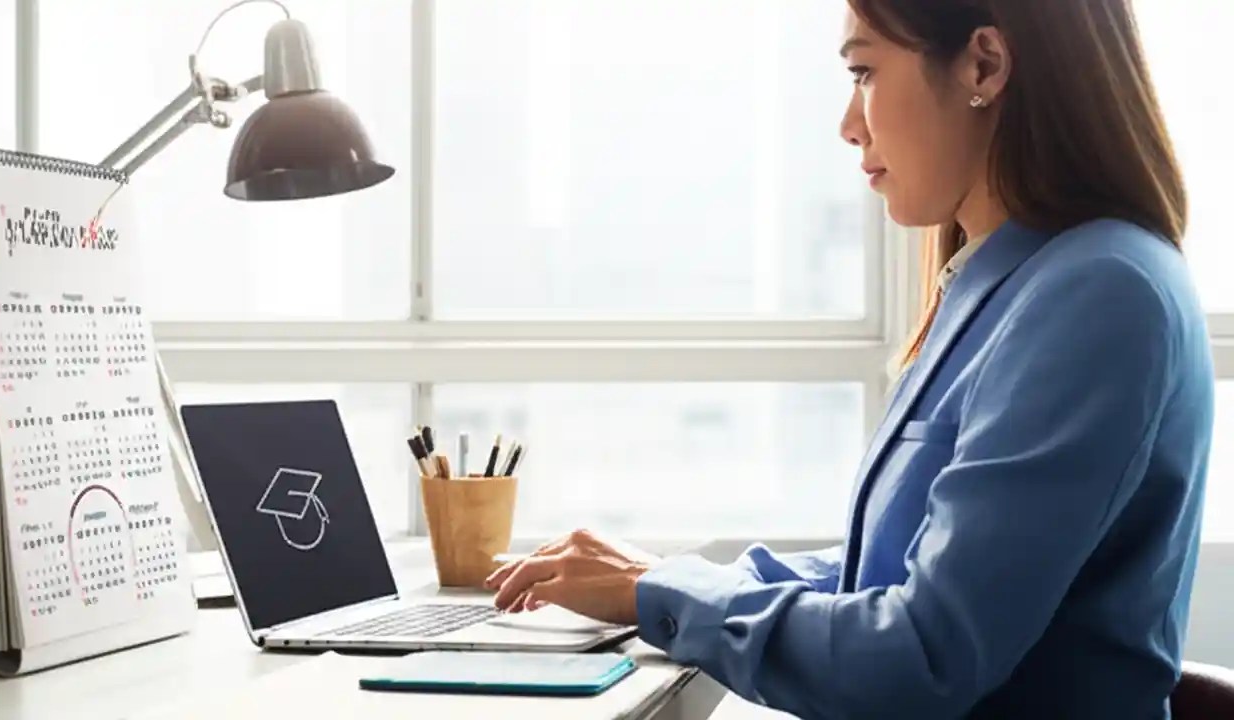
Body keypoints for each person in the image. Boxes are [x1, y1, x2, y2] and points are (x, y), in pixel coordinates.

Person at [485, 0, 1216, 717]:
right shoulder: (1006, 283)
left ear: (985, 64)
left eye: (863, 71)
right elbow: (894, 569)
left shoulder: (1098, 294)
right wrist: (659, 580)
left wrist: (665, 592)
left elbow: (923, 654)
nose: (847, 123)